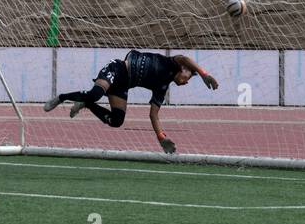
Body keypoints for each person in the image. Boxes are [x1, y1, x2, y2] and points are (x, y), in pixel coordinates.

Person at [44, 50, 219, 154]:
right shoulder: (171, 63)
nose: (187, 81)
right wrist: (204, 74)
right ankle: (62, 97)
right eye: (189, 76)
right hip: (117, 68)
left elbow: (153, 114)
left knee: (117, 121)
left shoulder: (162, 88)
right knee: (96, 94)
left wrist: (161, 138)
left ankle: (86, 104)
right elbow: (184, 58)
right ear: (184, 69)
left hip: (123, 86)